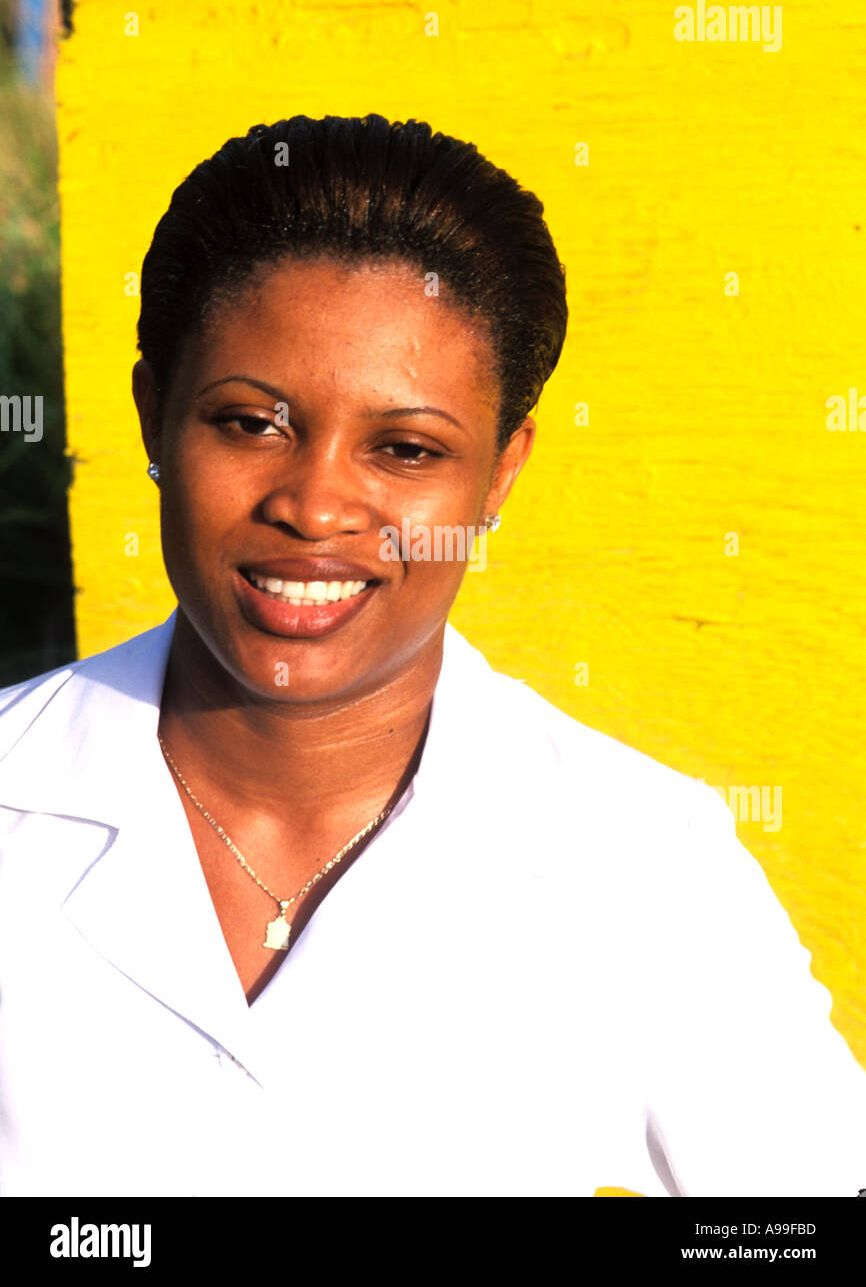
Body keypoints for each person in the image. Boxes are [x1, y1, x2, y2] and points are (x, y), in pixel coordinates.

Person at [1, 113, 865, 1197]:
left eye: (405, 449)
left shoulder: (640, 863)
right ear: (151, 417)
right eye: (247, 422)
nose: (315, 506)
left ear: (497, 474)